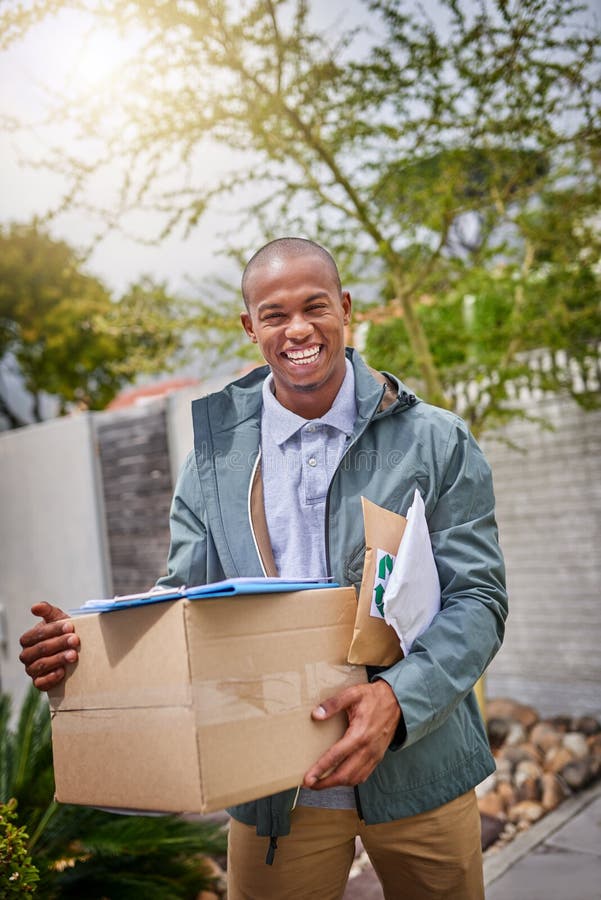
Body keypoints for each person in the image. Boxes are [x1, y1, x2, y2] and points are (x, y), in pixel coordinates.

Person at [19, 237, 507, 900]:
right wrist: (87, 649)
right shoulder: (214, 462)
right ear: (250, 326)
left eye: (315, 306)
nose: (297, 328)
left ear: (345, 308)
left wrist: (397, 700)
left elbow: (477, 599)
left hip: (420, 761)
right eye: (275, 315)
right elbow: (182, 601)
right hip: (271, 787)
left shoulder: (435, 440)